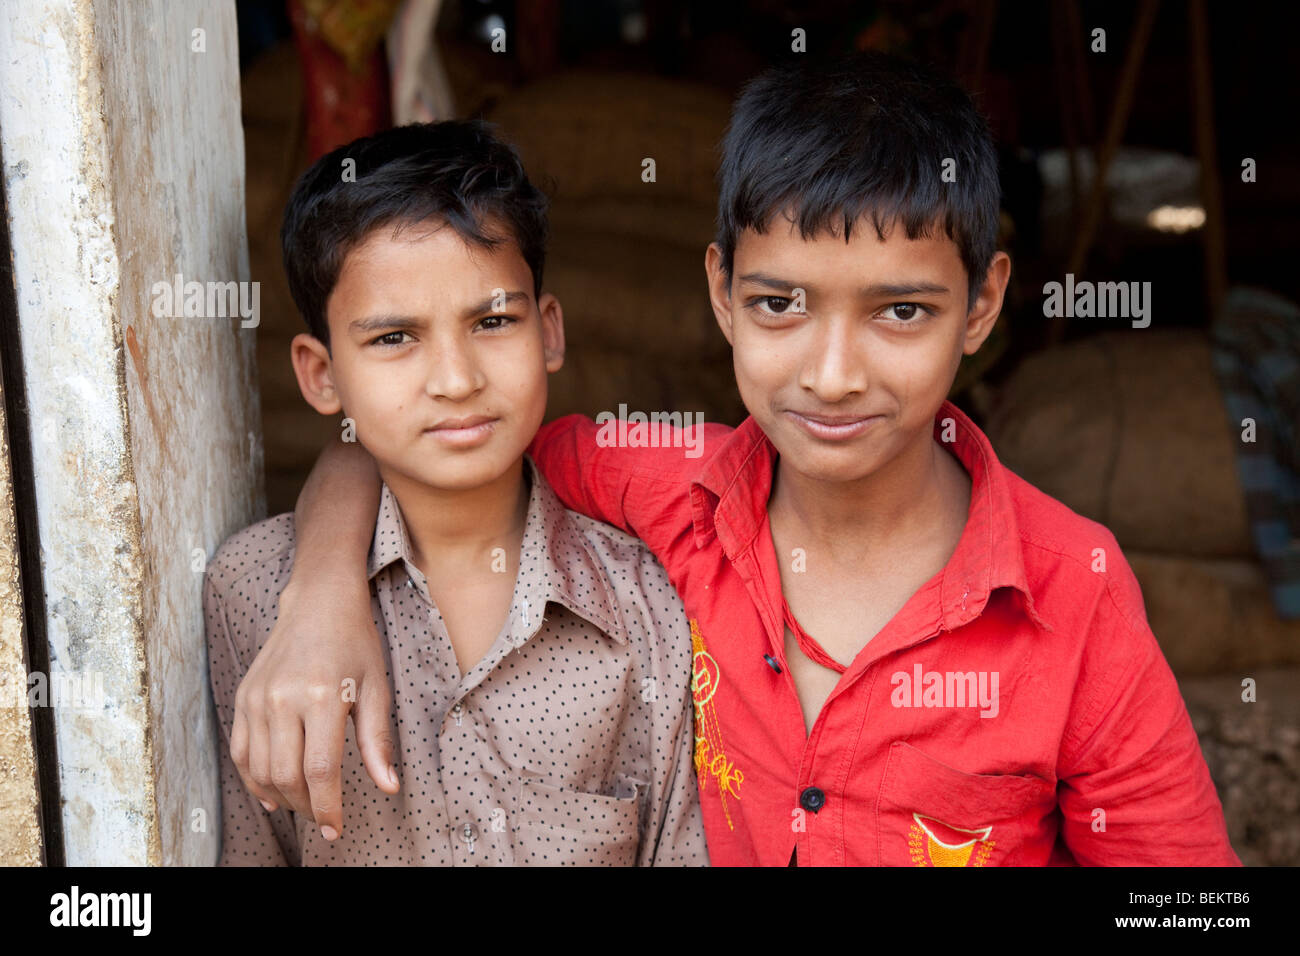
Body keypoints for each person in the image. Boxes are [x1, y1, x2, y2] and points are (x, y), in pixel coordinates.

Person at [231, 52, 1239, 866]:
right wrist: (319, 596)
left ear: (980, 305)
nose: (832, 373)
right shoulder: (662, 476)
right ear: (720, 292)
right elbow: (429, 439)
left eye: (901, 311)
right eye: (778, 304)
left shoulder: (1071, 587)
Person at [204, 119, 707, 865]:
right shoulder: (251, 596)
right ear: (320, 375)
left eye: (493, 321)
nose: (456, 379)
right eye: (393, 339)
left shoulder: (648, 607)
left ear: (549, 333)